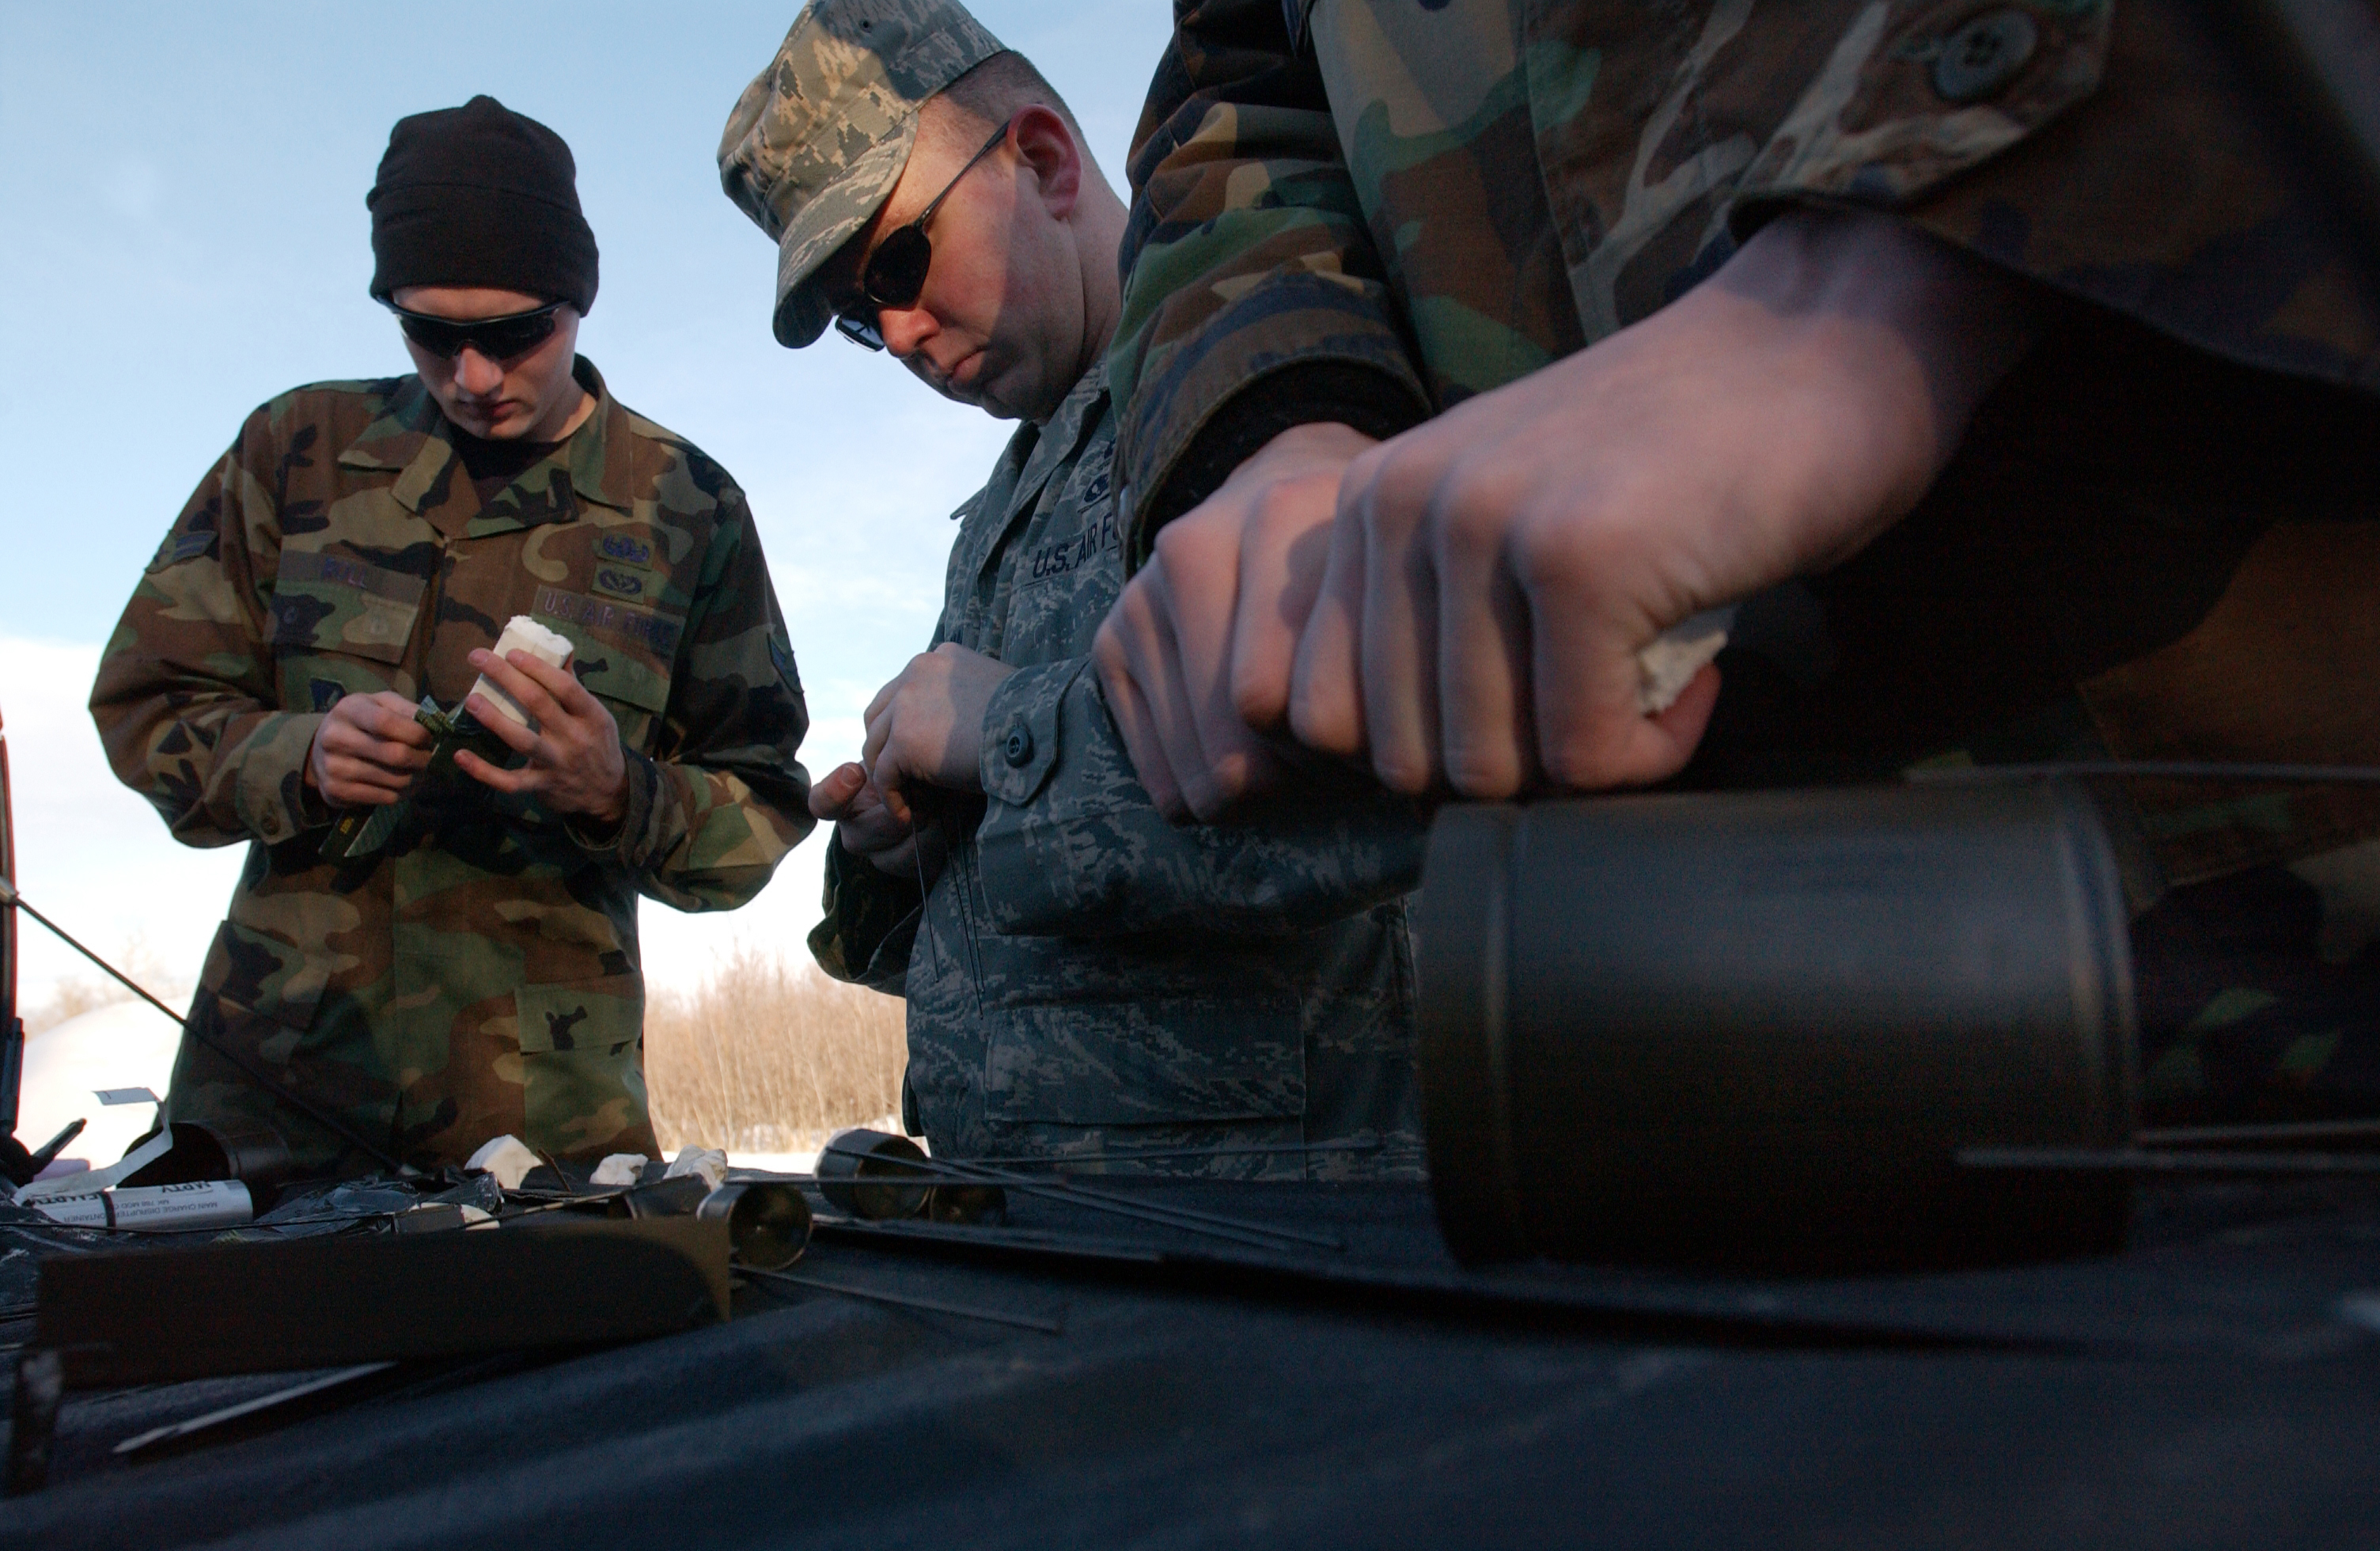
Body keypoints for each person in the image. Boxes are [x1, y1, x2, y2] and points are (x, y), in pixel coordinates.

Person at [1094, 1, 2380, 1124]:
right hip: (1660, 1027)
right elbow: (1239, 96)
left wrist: (1890, 254)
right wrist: (1285, 423)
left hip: (2252, 871)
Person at [717, 0, 1423, 1174]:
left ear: (1040, 159)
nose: (896, 333)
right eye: (856, 313)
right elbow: (1033, 924)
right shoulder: (1000, 508)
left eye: (898, 260)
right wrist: (903, 842)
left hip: (1281, 1247)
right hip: (1052, 1248)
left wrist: (1005, 732)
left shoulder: (1285, 383)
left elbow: (1389, 781)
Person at [92, 96, 813, 1178]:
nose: (473, 378)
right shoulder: (299, 452)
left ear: (577, 304)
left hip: (542, 1126)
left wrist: (619, 791)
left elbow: (760, 804)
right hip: (276, 1098)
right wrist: (300, 756)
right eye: (431, 333)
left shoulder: (684, 507)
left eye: (516, 334)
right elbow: (148, 704)